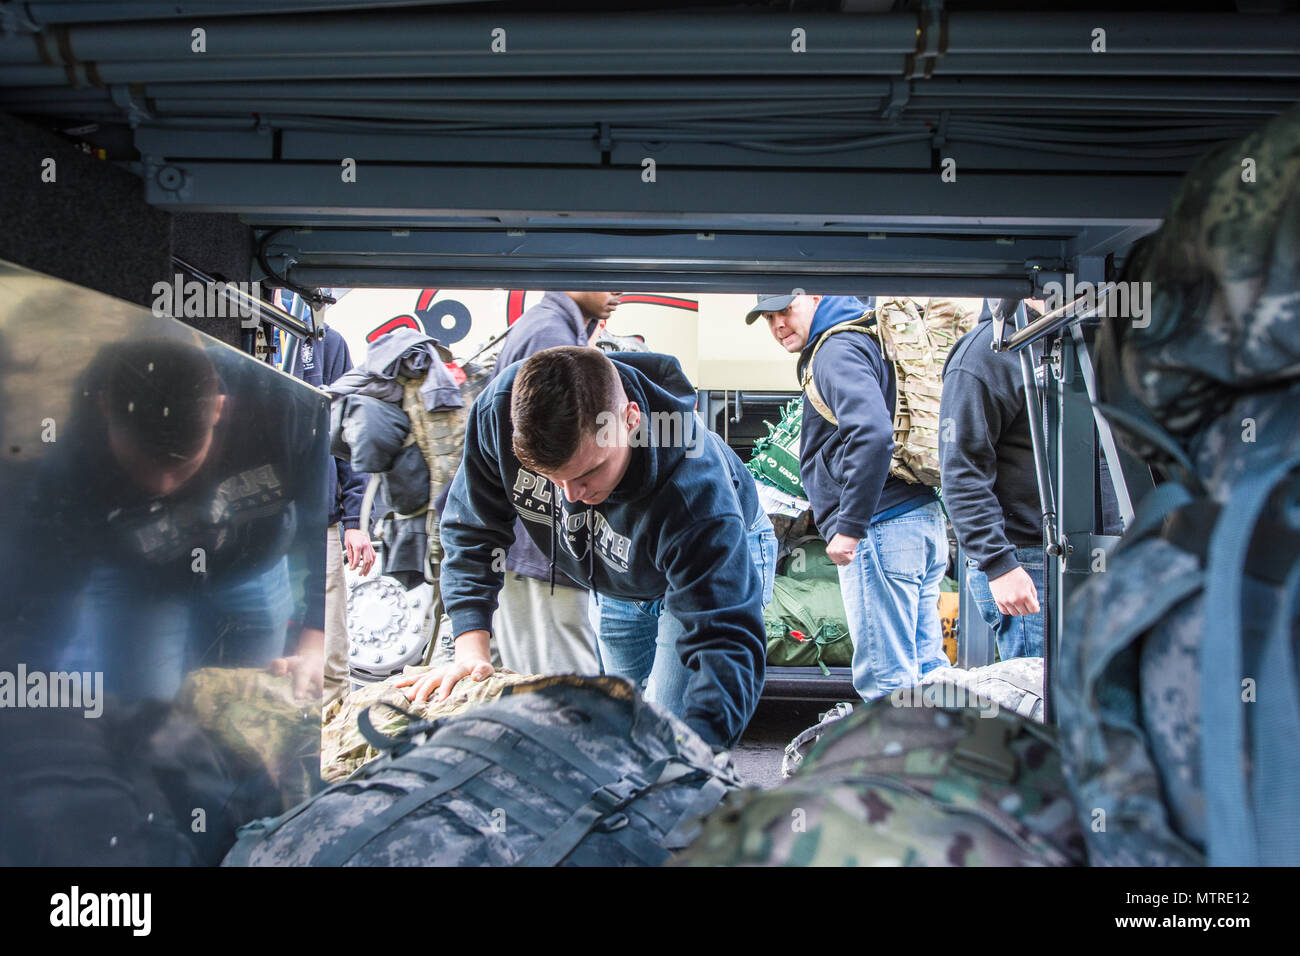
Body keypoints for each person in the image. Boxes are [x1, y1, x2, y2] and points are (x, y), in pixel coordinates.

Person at [399, 346, 776, 749]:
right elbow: (473, 526)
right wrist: (471, 650)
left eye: (589, 471)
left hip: (706, 561)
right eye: (550, 479)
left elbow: (724, 643)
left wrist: (697, 759)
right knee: (617, 726)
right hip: (615, 570)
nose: (571, 497)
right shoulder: (499, 412)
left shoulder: (693, 489)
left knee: (670, 733)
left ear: (631, 420)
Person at [14, 338, 328, 701]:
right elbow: (44, 579)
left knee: (252, 710)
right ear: (105, 410)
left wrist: (315, 641)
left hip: (252, 565)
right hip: (141, 581)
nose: (162, 489)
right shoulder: (71, 452)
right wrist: (29, 684)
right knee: (144, 718)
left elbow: (323, 525)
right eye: (140, 468)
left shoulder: (287, 411)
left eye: (181, 470)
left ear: (218, 410)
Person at [747, 292, 949, 700]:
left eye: (785, 310)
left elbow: (872, 435)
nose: (777, 325)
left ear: (815, 297)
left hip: (882, 529)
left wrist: (850, 527)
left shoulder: (835, 350)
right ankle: (935, 759)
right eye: (768, 317)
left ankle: (890, 765)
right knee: (926, 673)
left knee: (887, 681)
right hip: (919, 519)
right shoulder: (864, 335)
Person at [477, 292, 622, 675]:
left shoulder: (552, 329)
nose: (619, 289)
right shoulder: (550, 337)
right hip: (546, 557)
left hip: (545, 556)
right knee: (566, 704)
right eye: (606, 274)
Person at [938, 299, 1046, 660]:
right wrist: (1000, 564)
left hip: (1086, 554)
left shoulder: (1075, 341)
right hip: (1026, 561)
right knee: (1039, 699)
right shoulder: (986, 354)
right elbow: (961, 470)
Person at [285, 324, 376, 705]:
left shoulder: (326, 341)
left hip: (318, 524)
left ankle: (331, 752)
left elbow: (349, 436)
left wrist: (355, 521)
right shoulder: (245, 316)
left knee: (330, 655)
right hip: (250, 524)